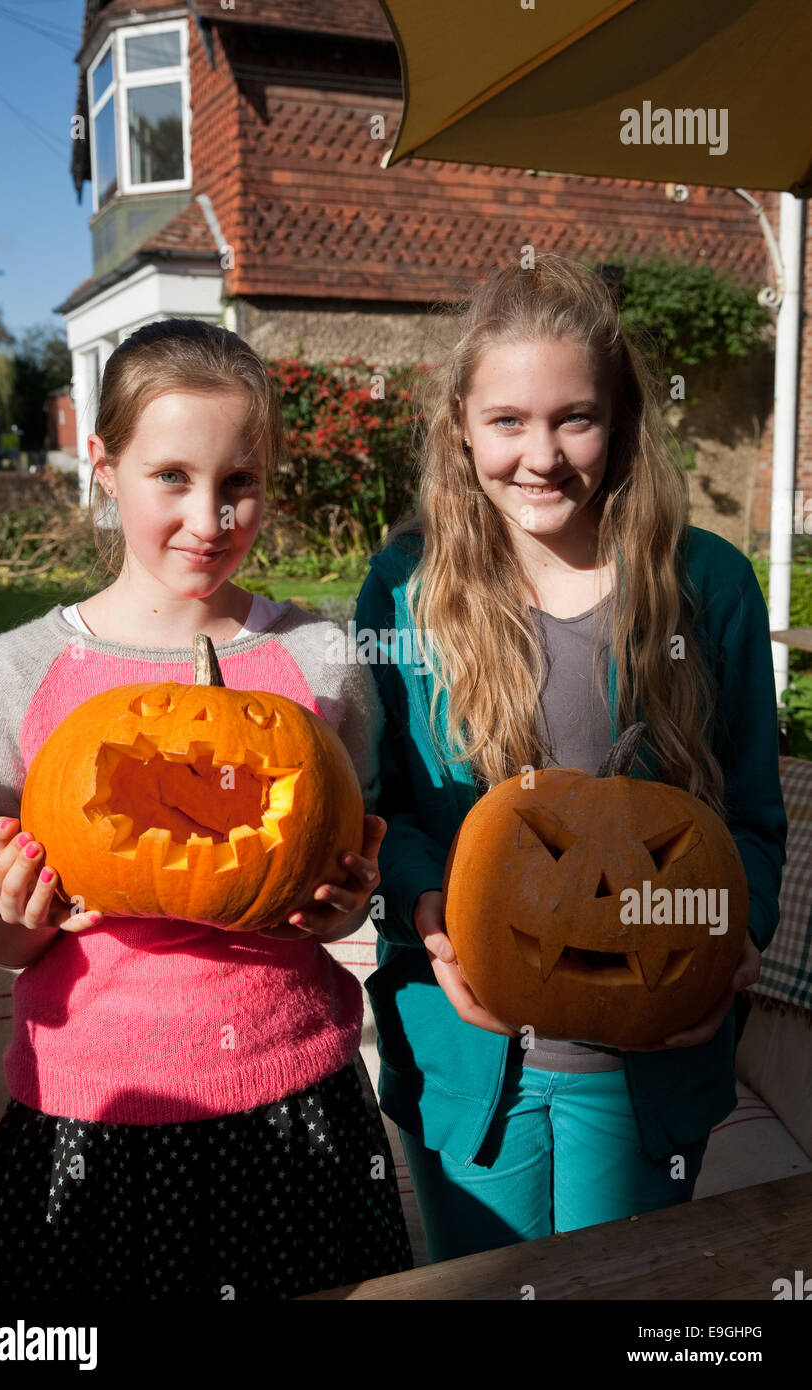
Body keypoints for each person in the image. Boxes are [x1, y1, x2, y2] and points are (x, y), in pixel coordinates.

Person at [0, 318, 412, 1301]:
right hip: (89, 1113)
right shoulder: (21, 671)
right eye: (171, 477)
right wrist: (12, 918)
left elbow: (341, 878)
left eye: (237, 482)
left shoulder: (320, 661)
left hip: (295, 1102)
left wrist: (340, 910)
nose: (208, 518)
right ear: (103, 465)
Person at [354, 253, 787, 1264]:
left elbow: (754, 819)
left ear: (622, 422)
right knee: (479, 1288)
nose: (539, 455)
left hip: (647, 1057)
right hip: (463, 1055)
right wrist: (427, 904)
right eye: (507, 420)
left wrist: (734, 936)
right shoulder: (402, 591)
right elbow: (380, 810)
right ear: (459, 427)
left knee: (620, 1295)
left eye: (573, 418)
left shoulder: (706, 587)